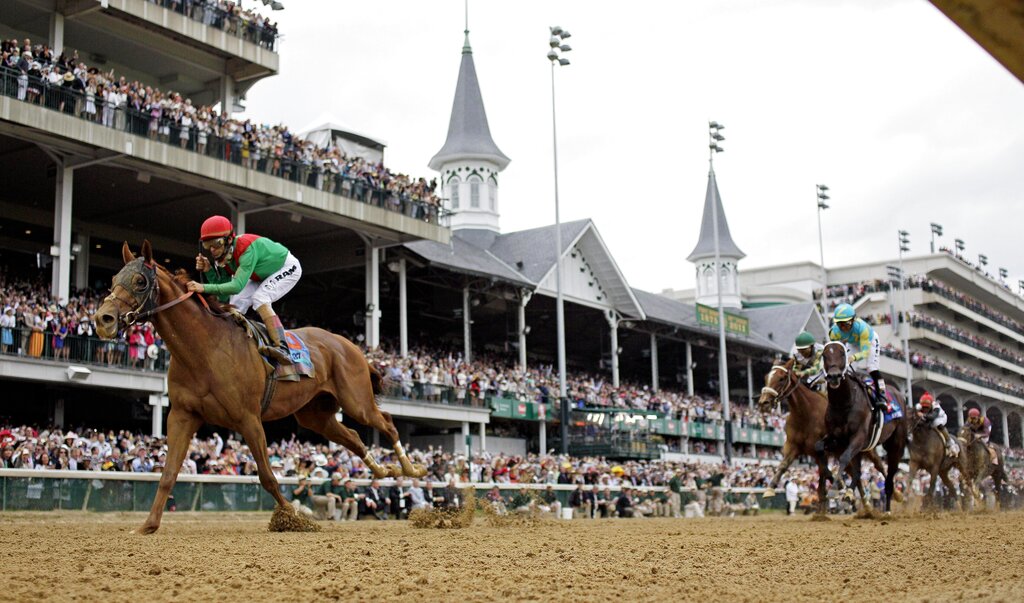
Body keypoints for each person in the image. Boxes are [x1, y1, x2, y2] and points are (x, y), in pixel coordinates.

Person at [187, 215, 302, 364]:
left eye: (216, 243)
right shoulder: (222, 257)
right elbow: (224, 296)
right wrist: (209, 270)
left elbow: (236, 287)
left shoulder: (245, 248)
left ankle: (282, 347)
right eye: (207, 245)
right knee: (234, 306)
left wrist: (202, 287)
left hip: (286, 267)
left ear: (229, 239)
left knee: (260, 298)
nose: (213, 250)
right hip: (259, 274)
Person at [828, 303, 887, 410]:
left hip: (869, 341)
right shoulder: (834, 333)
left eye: (846, 323)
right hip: (853, 343)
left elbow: (865, 352)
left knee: (872, 368)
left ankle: (882, 396)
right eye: (839, 324)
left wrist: (853, 358)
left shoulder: (862, 328)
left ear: (853, 320)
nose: (843, 327)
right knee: (846, 370)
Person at [915, 392, 958, 457]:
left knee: (936, 423)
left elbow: (933, 417)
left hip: (940, 417)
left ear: (931, 404)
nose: (925, 409)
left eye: (927, 407)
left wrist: (923, 415)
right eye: (924, 407)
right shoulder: (918, 407)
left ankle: (948, 440)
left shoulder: (936, 406)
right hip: (929, 417)